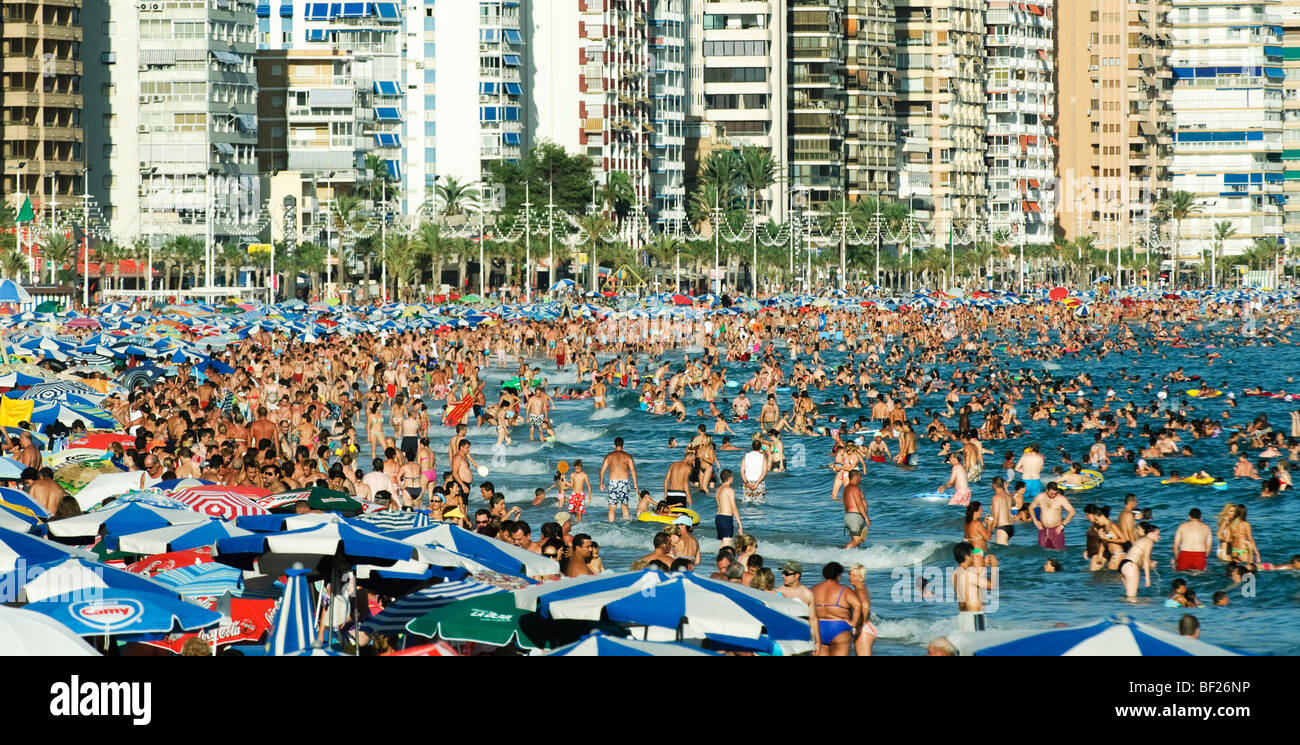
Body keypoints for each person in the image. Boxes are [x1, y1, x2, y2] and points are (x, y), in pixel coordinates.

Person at [810, 562, 861, 656]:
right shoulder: (844, 590)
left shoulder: (813, 589)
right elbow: (858, 605)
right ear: (838, 575)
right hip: (838, 628)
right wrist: (854, 623)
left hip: (818, 629)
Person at [598, 437, 638, 522]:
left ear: (614, 445)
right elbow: (633, 471)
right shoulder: (627, 456)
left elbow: (602, 471)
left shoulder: (609, 456)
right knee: (624, 506)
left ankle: (611, 526)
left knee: (612, 508)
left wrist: (601, 483)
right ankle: (626, 526)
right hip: (624, 483)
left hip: (613, 482)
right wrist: (635, 485)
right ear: (623, 445)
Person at [953, 542, 990, 631]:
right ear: (967, 557)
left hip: (963, 616)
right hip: (974, 616)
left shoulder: (956, 573)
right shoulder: (969, 574)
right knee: (979, 642)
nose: (974, 559)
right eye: (973, 556)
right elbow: (988, 585)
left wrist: (983, 566)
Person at [1029, 482, 1075, 550]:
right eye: (1051, 493)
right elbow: (1031, 507)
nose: (1053, 495)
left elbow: (1072, 511)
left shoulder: (1061, 499)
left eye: (1055, 493)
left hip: (1056, 530)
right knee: (1042, 551)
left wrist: (1063, 524)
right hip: (1043, 529)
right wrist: (1035, 521)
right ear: (1046, 490)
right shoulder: (1040, 497)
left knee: (1058, 552)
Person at [1120, 522, 1160, 599]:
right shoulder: (1149, 541)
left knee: (1129, 596)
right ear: (1151, 533)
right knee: (1132, 598)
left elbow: (1138, 558)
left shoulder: (1141, 540)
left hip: (1123, 565)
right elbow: (1146, 559)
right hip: (1131, 566)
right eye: (1157, 534)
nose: (1159, 536)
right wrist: (1147, 579)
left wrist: (1148, 565)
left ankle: (1121, 610)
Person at [848, 563, 877, 657]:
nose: (851, 578)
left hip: (863, 630)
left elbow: (865, 605)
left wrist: (860, 624)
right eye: (850, 574)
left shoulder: (860, 591)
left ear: (861, 577)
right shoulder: (860, 589)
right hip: (865, 628)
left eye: (854, 576)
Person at [842, 469, 870, 549]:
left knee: (856, 541)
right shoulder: (854, 488)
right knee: (856, 541)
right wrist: (866, 517)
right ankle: (842, 554)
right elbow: (859, 504)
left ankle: (852, 558)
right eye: (860, 476)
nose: (861, 478)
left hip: (849, 516)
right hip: (855, 517)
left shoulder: (846, 489)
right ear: (855, 477)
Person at [713, 468, 741, 548]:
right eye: (732, 477)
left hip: (718, 517)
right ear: (729, 478)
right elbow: (734, 508)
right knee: (727, 545)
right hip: (726, 518)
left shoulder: (718, 490)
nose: (733, 478)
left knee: (722, 544)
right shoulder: (729, 490)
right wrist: (739, 524)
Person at [739, 440, 768, 504]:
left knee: (746, 502)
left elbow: (742, 471)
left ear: (752, 447)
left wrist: (747, 483)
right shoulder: (763, 457)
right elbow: (764, 472)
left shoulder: (746, 456)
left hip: (748, 482)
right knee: (759, 503)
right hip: (759, 483)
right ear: (760, 447)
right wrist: (756, 484)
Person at [567, 459, 590, 523]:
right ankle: (576, 519)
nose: (577, 470)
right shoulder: (572, 475)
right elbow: (571, 485)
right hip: (574, 494)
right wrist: (565, 480)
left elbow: (589, 486)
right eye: (576, 468)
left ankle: (579, 523)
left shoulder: (584, 475)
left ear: (581, 467)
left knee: (579, 512)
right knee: (571, 511)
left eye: (579, 468)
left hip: (581, 495)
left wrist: (589, 496)